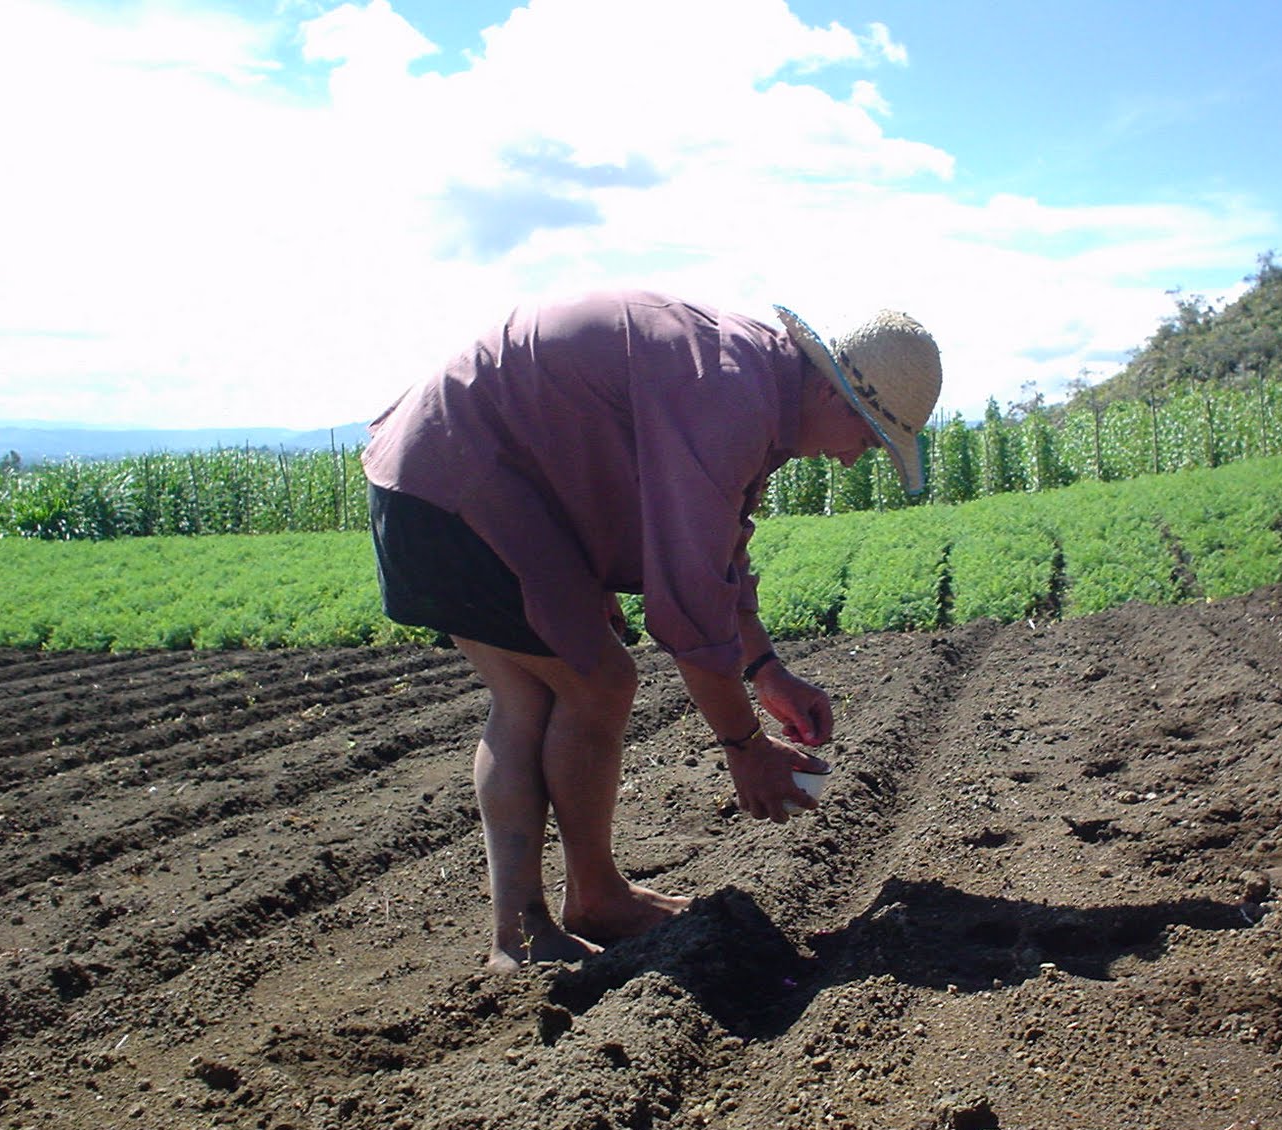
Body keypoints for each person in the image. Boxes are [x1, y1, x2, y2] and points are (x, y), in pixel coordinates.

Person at [362, 290, 941, 966]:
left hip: (448, 472)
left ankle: (531, 932)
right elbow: (688, 600)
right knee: (596, 683)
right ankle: (578, 908)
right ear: (839, 400)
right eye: (869, 440)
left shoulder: (757, 379)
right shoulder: (734, 398)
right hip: (456, 486)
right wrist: (744, 745)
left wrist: (767, 670)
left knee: (539, 695)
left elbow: (719, 544)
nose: (851, 459)